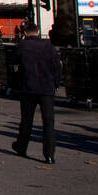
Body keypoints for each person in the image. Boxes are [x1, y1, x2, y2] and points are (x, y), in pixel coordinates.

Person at [12, 21, 62, 164]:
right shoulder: (49, 46)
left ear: (25, 33)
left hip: (28, 87)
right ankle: (49, 154)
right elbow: (57, 67)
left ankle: (22, 146)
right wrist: (56, 84)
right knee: (48, 122)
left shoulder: (22, 46)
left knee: (27, 120)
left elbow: (13, 60)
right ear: (39, 32)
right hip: (46, 88)